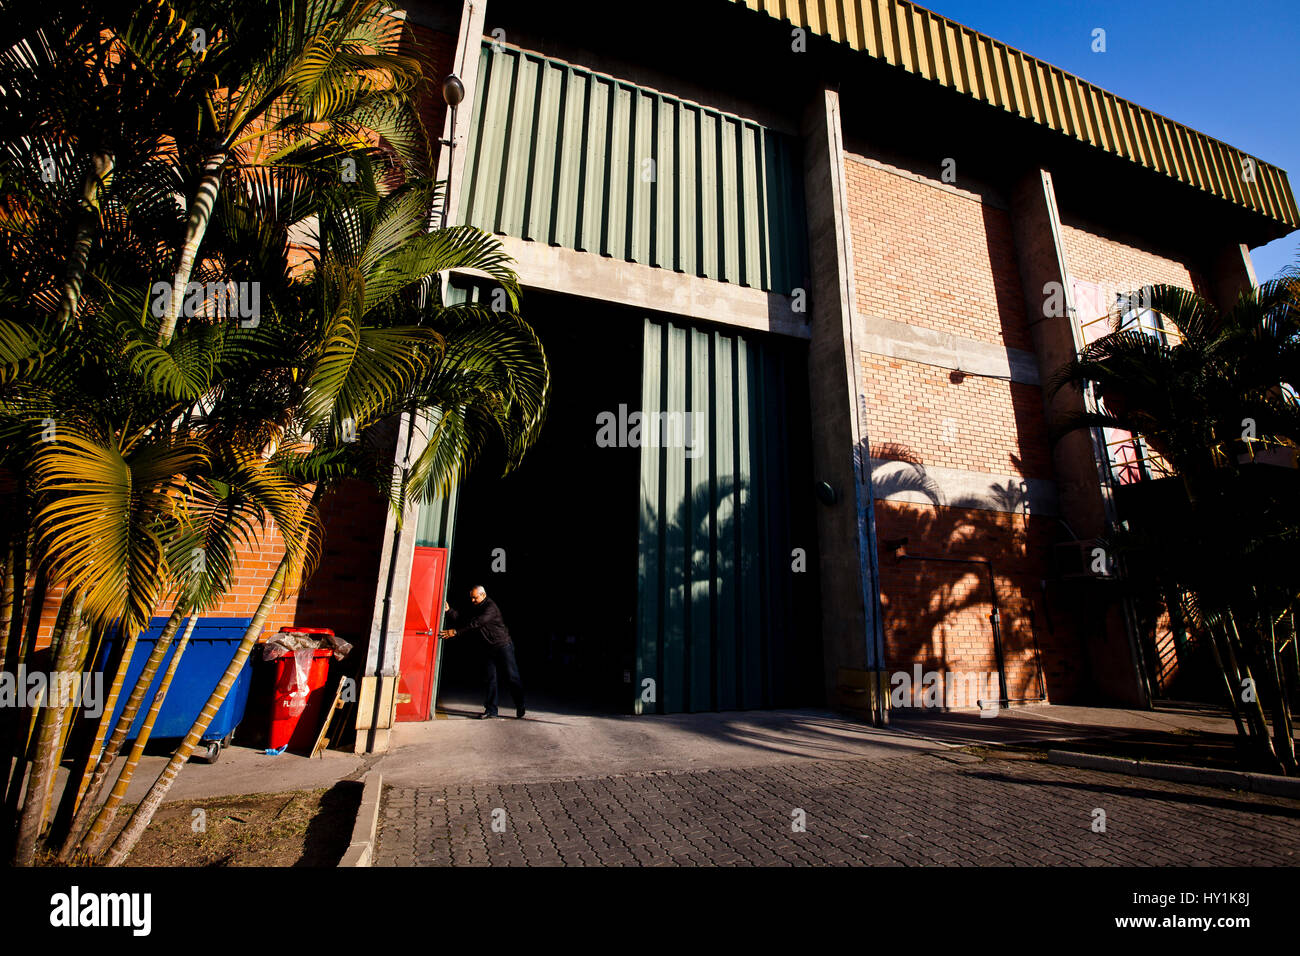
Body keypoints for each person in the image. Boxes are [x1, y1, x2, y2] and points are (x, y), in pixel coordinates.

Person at [440, 586, 525, 719]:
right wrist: (449, 611)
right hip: (488, 648)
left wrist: (455, 632)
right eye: (472, 597)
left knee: (512, 677)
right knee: (490, 678)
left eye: (475, 597)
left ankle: (520, 705)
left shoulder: (490, 608)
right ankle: (491, 710)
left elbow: (476, 623)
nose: (473, 600)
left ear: (483, 595)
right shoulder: (476, 607)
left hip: (503, 646)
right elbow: (465, 619)